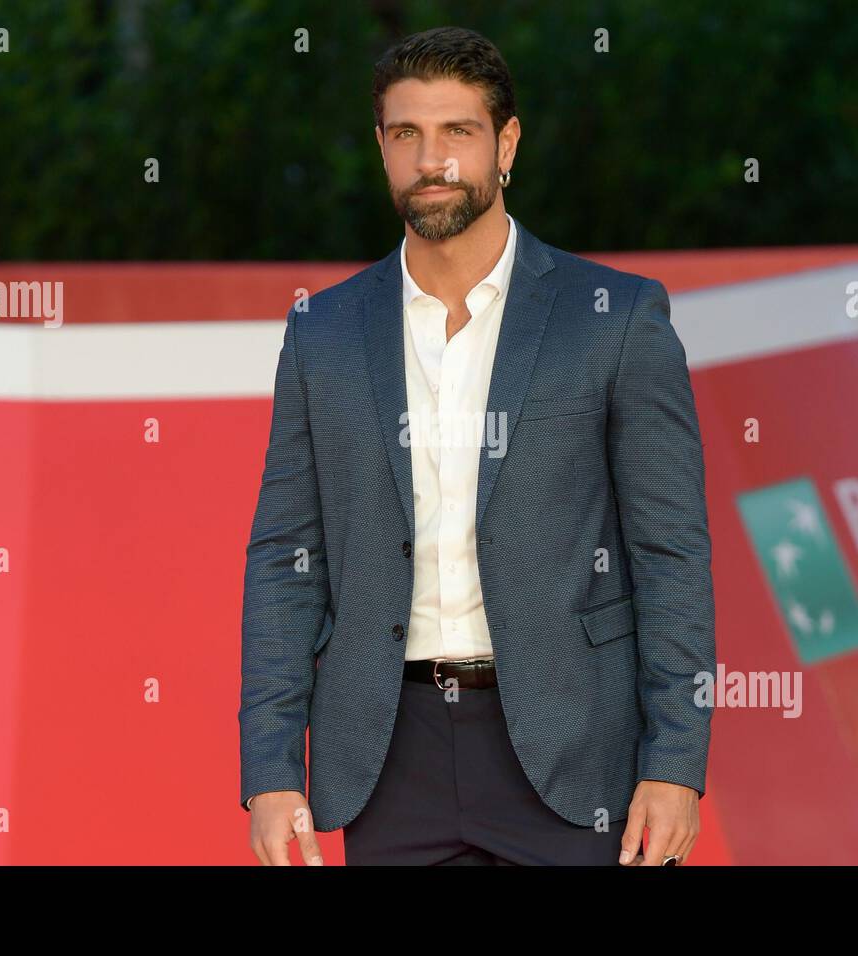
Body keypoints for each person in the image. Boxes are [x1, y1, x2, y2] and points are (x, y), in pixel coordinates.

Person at [240, 26, 714, 866]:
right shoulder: (324, 331)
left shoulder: (614, 319)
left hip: (572, 749)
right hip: (387, 755)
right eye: (406, 134)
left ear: (507, 144)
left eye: (457, 131)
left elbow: (670, 551)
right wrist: (272, 769)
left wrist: (675, 762)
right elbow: (286, 555)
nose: (433, 159)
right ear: (381, 148)